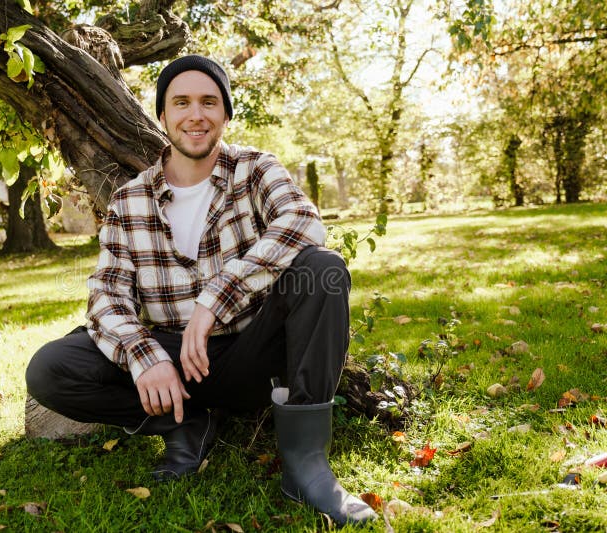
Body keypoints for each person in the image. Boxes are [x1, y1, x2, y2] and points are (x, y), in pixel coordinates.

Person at [25, 54, 377, 526]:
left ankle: (306, 463)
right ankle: (185, 421)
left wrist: (215, 299)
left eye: (210, 102)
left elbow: (304, 224)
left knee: (322, 269)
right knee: (51, 368)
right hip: (171, 359)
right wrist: (144, 355)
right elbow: (107, 295)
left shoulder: (256, 170)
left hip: (251, 353)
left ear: (226, 114)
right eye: (182, 102)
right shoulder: (130, 200)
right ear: (164, 115)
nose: (197, 114)